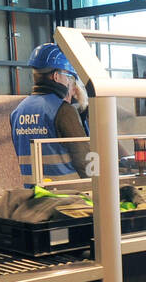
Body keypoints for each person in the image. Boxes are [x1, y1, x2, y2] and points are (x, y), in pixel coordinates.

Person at [11, 43, 90, 184]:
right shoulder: (63, 110)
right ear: (56, 76)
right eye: (69, 78)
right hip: (67, 196)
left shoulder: (18, 111)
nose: (70, 83)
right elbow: (84, 161)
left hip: (34, 196)